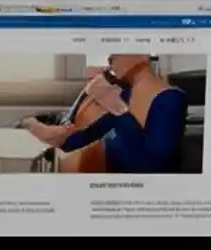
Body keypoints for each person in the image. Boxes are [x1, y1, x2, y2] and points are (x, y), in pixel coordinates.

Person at [22, 55, 189, 174]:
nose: (110, 59)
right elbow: (78, 139)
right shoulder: (125, 96)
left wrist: (115, 106)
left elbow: (154, 171)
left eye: (116, 53)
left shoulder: (170, 99)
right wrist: (32, 125)